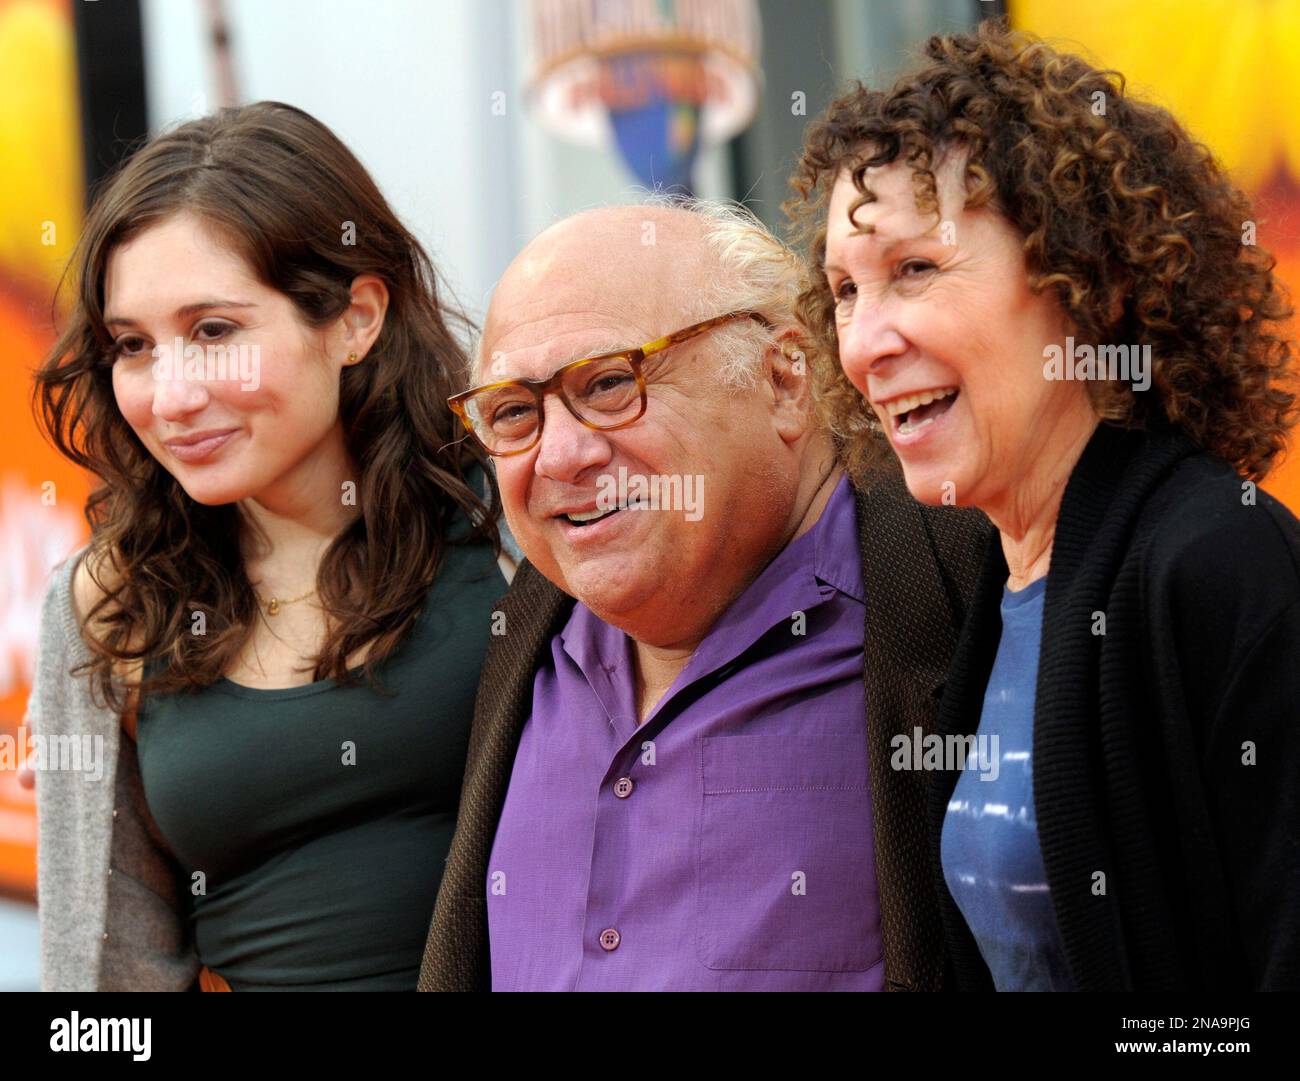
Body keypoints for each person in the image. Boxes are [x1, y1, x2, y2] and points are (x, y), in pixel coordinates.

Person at [788, 19, 1300, 990]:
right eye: (843, 291)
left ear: (1085, 282)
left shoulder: (1215, 557)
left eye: (914, 269)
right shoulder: (1000, 575)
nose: (863, 345)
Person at [418, 199, 991, 991]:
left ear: (784, 379)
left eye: (611, 382)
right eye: (514, 411)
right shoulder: (521, 638)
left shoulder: (969, 585)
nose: (559, 456)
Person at [28, 101, 511, 990]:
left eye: (214, 331)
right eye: (132, 346)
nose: (169, 397)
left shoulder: (515, 525)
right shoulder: (105, 601)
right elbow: (100, 972)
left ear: (356, 318)